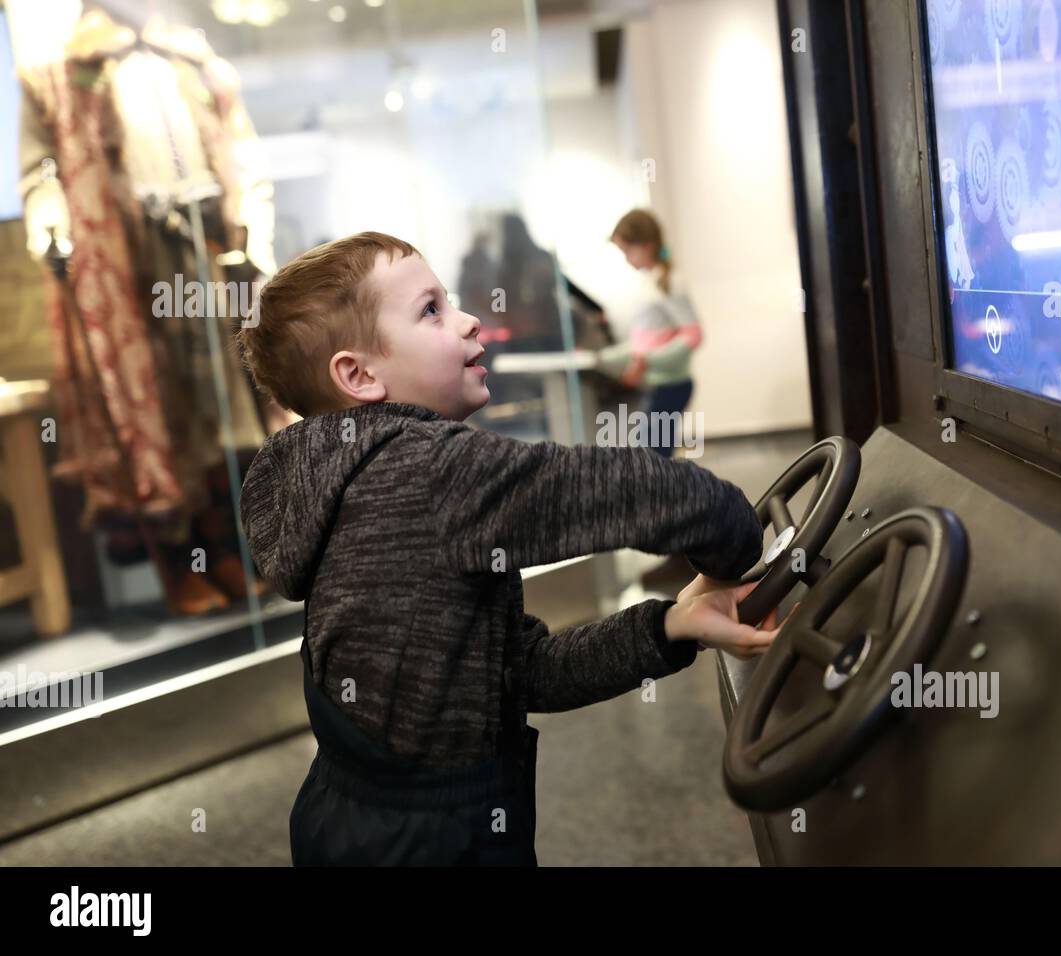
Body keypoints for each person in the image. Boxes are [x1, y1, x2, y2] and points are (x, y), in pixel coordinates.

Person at [234, 231, 785, 866]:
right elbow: (642, 491)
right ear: (358, 375)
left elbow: (522, 673)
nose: (469, 321)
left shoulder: (346, 483)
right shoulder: (430, 471)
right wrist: (735, 553)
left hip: (351, 829)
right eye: (431, 310)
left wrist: (671, 627)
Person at [600, 209, 703, 457]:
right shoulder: (651, 281)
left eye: (627, 251)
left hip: (671, 385)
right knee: (652, 457)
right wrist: (600, 357)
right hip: (658, 384)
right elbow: (643, 344)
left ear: (647, 245)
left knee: (653, 461)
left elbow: (693, 335)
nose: (626, 259)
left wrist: (645, 361)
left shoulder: (670, 282)